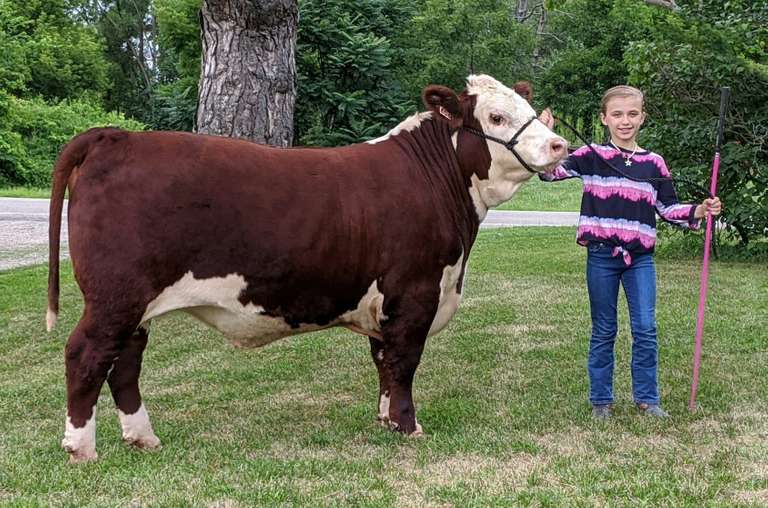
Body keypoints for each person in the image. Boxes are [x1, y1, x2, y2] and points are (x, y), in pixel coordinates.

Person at [539, 85, 722, 419]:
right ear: (604, 118)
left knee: (645, 328)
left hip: (639, 260)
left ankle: (648, 399)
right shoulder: (591, 156)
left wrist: (699, 210)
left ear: (643, 117)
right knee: (604, 329)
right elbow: (549, 173)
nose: (625, 121)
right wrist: (546, 135)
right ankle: (601, 401)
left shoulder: (654, 163)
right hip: (601, 256)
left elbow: (668, 209)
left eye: (633, 114)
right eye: (618, 114)